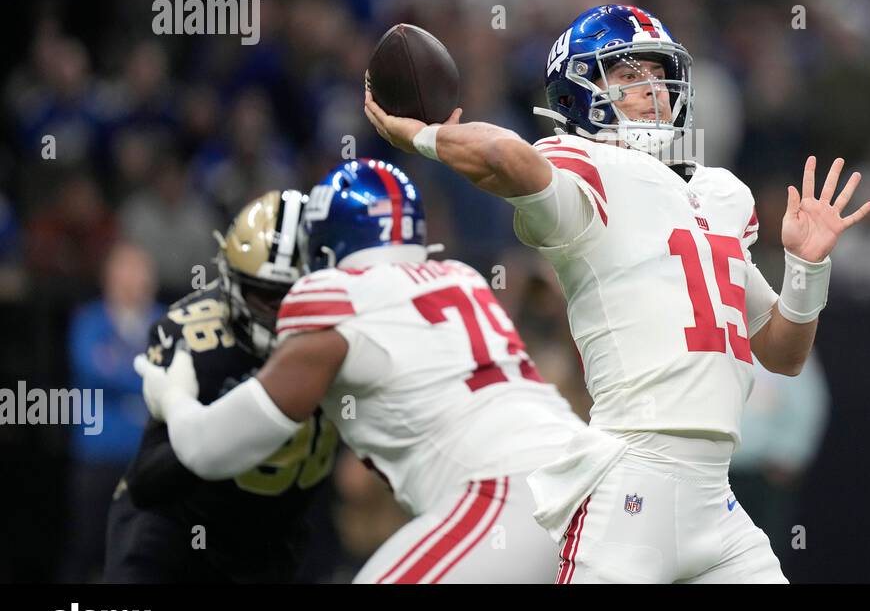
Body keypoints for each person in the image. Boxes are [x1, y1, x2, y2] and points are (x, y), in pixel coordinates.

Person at [364, 4, 870, 583]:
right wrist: (425, 134)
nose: (651, 89)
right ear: (578, 93)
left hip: (717, 496)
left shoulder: (719, 195)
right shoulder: (585, 169)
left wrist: (806, 269)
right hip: (634, 478)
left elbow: (783, 351)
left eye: (658, 73)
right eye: (628, 73)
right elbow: (504, 155)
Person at [135, 159, 587, 583]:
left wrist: (173, 398)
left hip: (508, 499)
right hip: (593, 483)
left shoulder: (336, 298)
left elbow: (207, 450)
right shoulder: (461, 279)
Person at [105, 191, 338, 583]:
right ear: (230, 279)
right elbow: (148, 482)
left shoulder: (351, 337)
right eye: (263, 295)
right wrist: (224, 432)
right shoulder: (195, 338)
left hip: (272, 538)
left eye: (291, 295)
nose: (276, 313)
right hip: (177, 531)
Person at [63, 242, 162, 581]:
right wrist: (147, 372)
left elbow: (180, 376)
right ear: (108, 276)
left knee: (149, 551)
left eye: (140, 269)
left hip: (151, 460)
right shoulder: (88, 321)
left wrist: (122, 363)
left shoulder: (167, 322)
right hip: (99, 458)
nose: (133, 278)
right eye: (125, 268)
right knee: (89, 546)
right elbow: (92, 367)